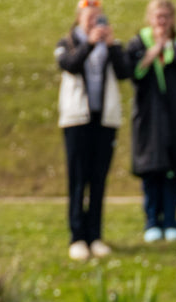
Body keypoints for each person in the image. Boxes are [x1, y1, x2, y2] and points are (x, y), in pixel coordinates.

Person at [55, 0, 130, 261]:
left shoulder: (110, 45)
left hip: (104, 121)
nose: (95, 23)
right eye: (89, 18)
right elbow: (71, 65)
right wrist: (89, 43)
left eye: (99, 18)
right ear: (79, 18)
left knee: (98, 179)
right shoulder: (67, 43)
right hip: (77, 120)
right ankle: (77, 237)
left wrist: (109, 46)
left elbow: (124, 73)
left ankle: (95, 235)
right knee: (78, 179)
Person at [126, 0, 176, 243]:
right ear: (150, 18)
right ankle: (151, 220)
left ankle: (171, 219)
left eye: (166, 16)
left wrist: (168, 47)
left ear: (173, 18)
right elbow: (131, 72)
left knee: (173, 170)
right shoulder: (138, 42)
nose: (162, 21)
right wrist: (151, 54)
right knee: (152, 169)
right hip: (149, 117)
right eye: (158, 16)